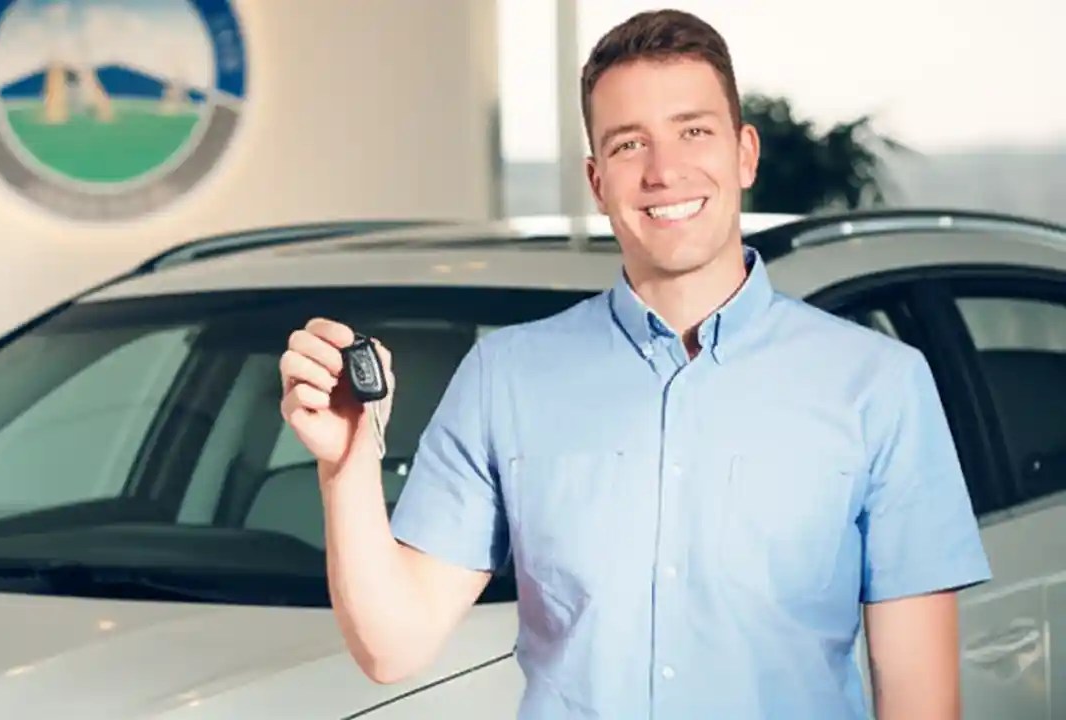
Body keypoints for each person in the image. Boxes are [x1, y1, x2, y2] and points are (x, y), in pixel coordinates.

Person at [278, 8, 991, 719]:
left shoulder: (880, 383)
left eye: (693, 131)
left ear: (745, 153)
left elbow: (921, 704)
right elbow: (391, 647)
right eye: (629, 145)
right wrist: (347, 467)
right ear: (596, 180)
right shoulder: (506, 378)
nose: (664, 170)